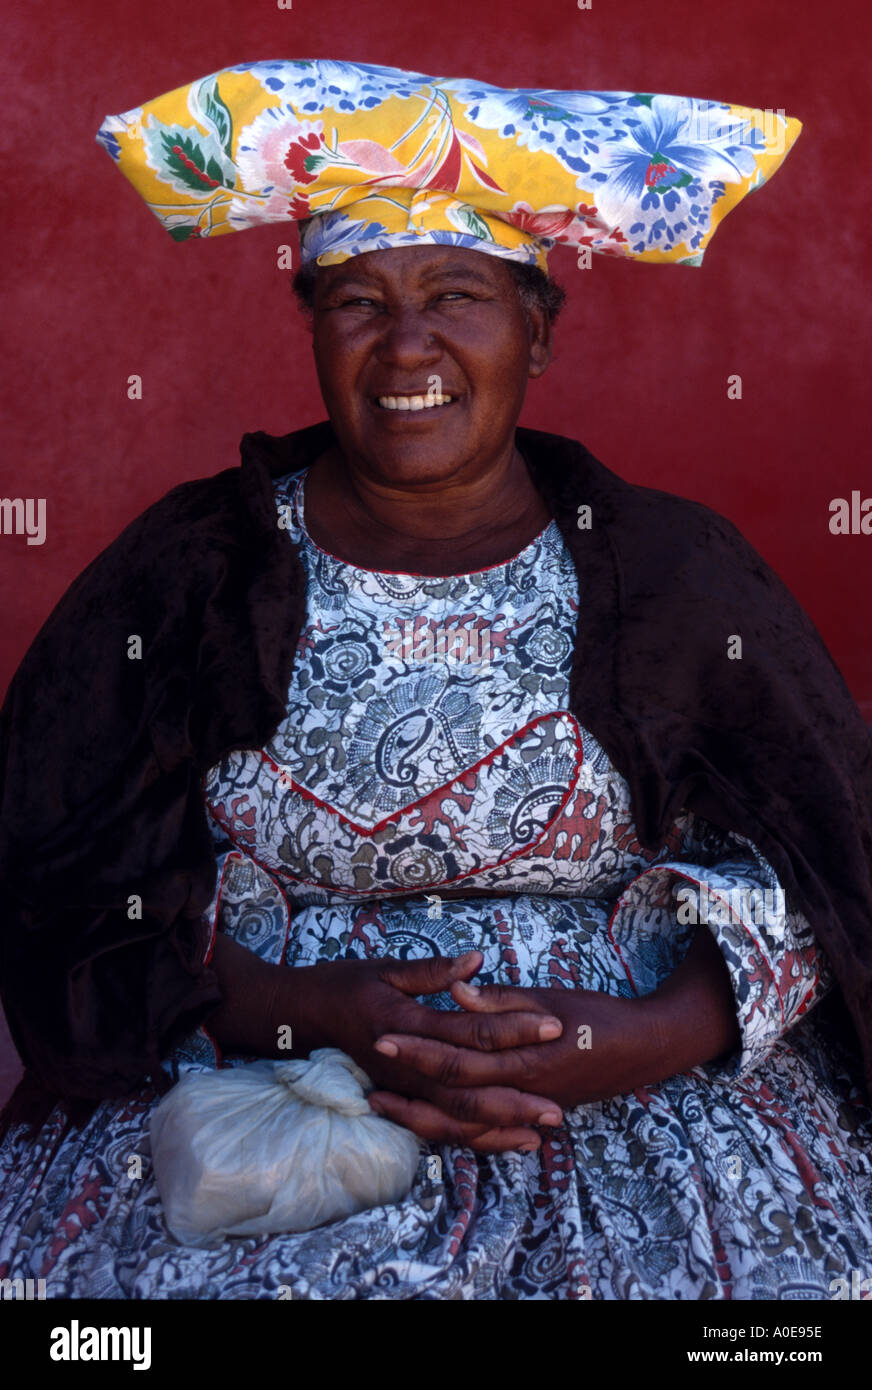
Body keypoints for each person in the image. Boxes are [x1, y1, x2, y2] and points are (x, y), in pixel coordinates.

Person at [1, 59, 871, 1300]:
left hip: (632, 1096)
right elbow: (64, 867)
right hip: (258, 1084)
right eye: (356, 302)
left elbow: (826, 855)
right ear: (311, 328)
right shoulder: (191, 570)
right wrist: (293, 1011)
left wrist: (649, 1034)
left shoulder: (672, 569)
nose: (406, 345)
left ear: (538, 327)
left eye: (457, 294)